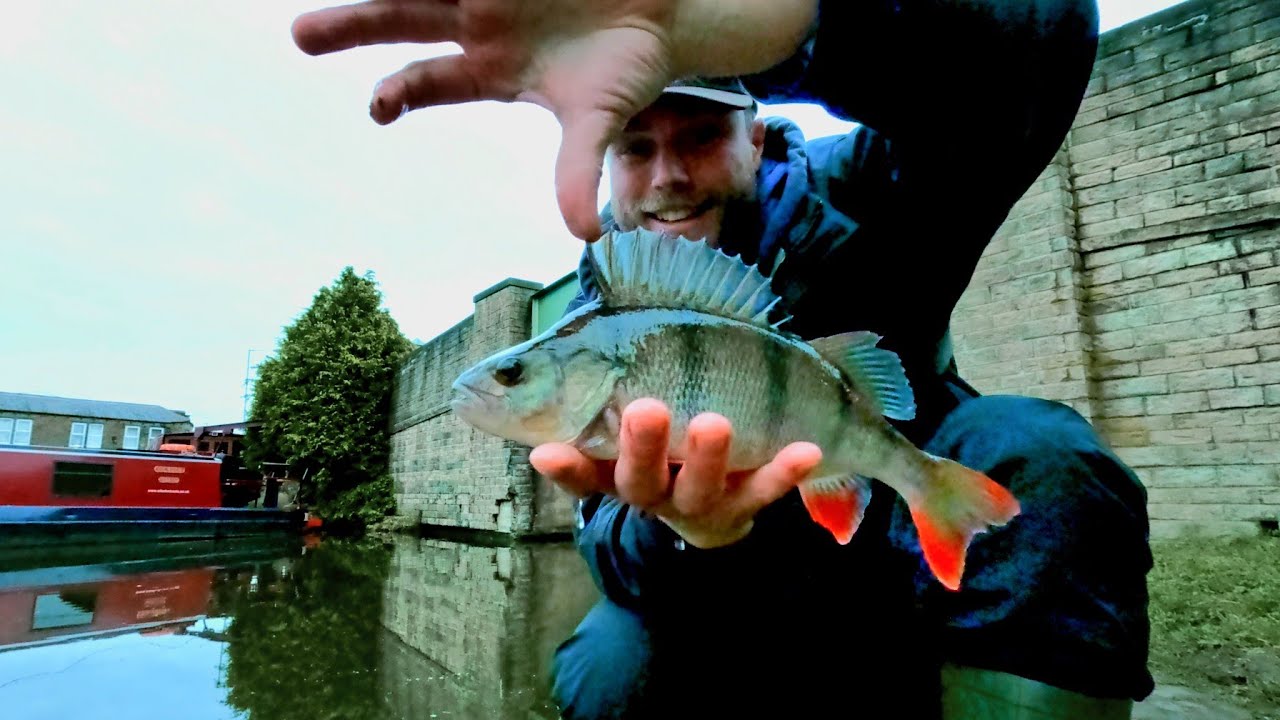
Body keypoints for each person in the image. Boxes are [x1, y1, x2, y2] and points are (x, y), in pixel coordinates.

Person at [291, 1, 1155, 717]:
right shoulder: (604, 310)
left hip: (888, 525)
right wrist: (677, 530)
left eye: (700, 133)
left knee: (1041, 458)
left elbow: (1038, 46)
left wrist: (782, 16)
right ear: (608, 164)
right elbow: (607, 545)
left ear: (760, 135)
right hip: (731, 582)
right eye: (634, 145)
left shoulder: (872, 188)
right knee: (608, 670)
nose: (666, 174)